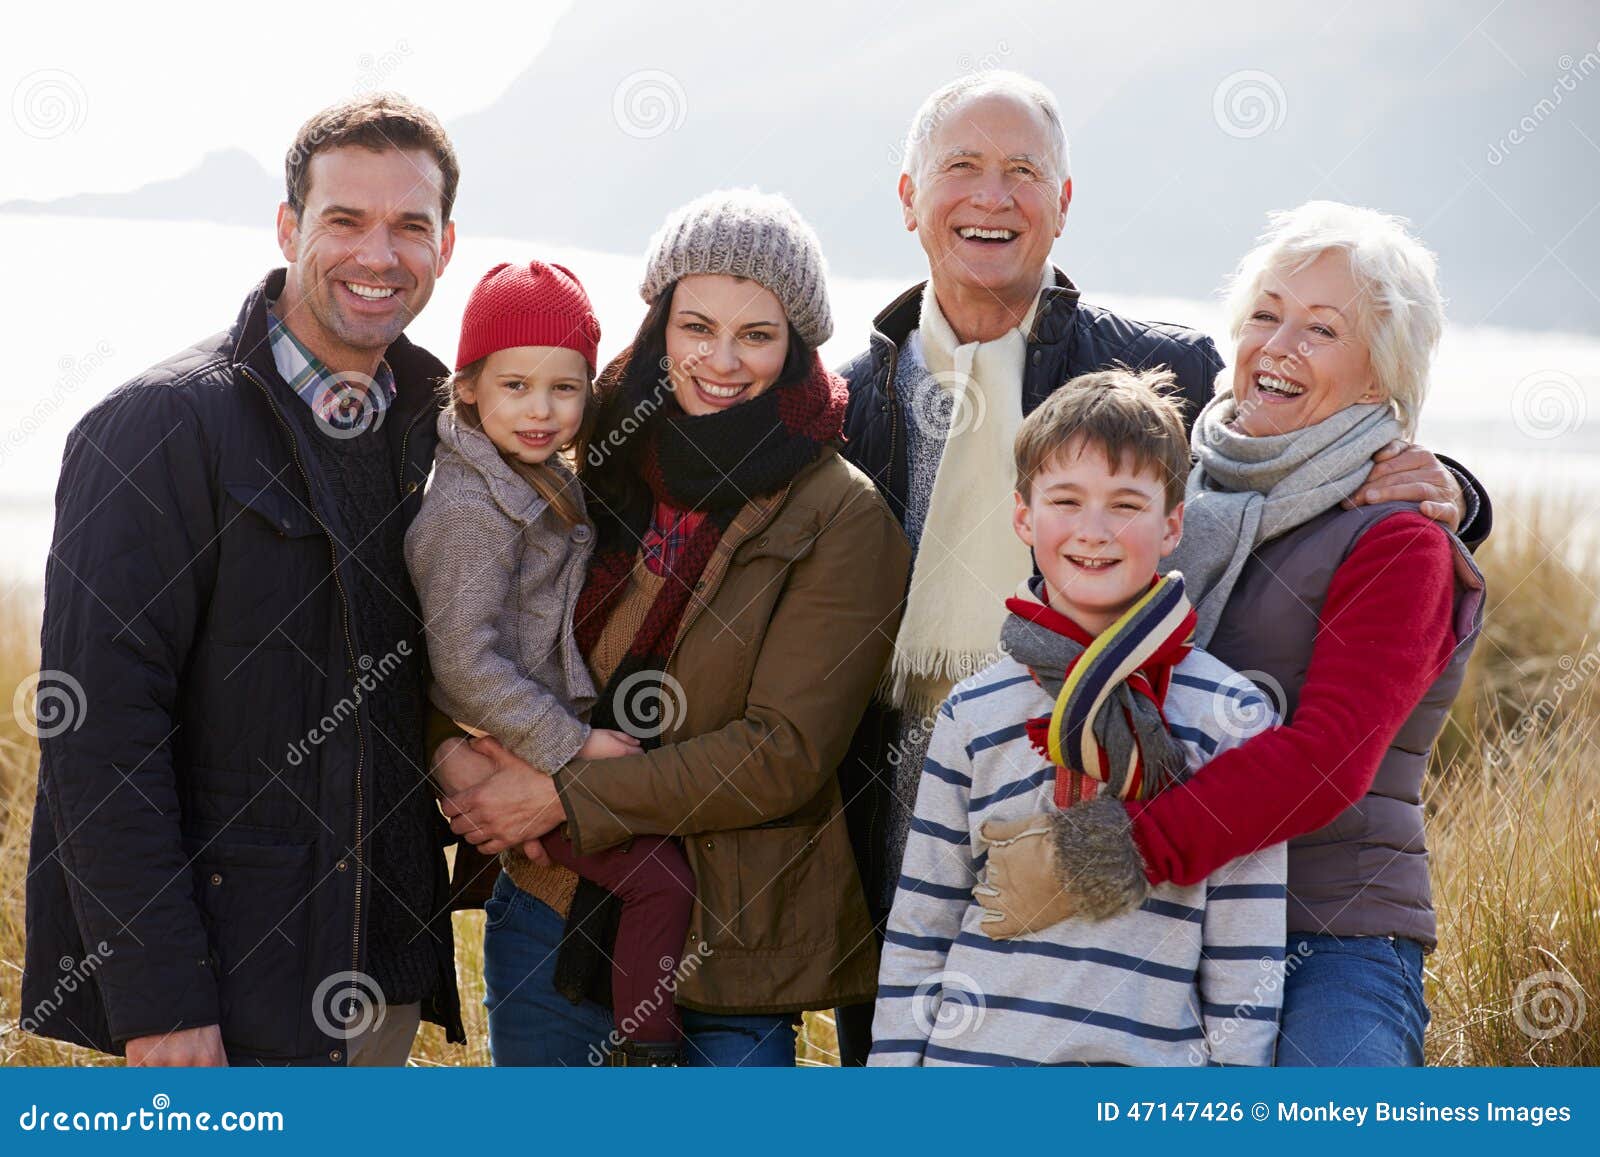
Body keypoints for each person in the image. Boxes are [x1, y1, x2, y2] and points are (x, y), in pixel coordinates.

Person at [831, 70, 1492, 1064]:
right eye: (960, 167)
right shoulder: (848, 404)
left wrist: (1455, 488)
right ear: (906, 197)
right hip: (977, 856)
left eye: (1023, 172)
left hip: (1282, 917)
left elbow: (1328, 742)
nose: (991, 196)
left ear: (1063, 204)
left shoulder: (1159, 384)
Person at [977, 201, 1485, 1066]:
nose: (1278, 346)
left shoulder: (1402, 540)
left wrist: (1113, 857)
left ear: (1379, 375)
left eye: (1322, 328)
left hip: (1326, 935)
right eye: (1265, 314)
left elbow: (1324, 761)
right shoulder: (1173, 502)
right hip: (1162, 924)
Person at [22, 93, 464, 1065]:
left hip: (377, 983)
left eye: (409, 226)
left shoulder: (438, 435)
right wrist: (160, 996)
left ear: (447, 243)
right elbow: (98, 730)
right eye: (344, 220)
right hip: (223, 1000)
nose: (377, 255)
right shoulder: (156, 429)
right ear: (288, 226)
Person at [431, 189, 911, 1066]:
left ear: (797, 343)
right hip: (548, 907)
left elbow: (782, 753)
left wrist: (564, 790)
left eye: (756, 335)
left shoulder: (843, 516)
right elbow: (462, 625)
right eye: (696, 326)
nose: (720, 360)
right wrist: (451, 753)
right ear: (660, 325)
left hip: (726, 946)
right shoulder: (592, 447)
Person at [870, 368, 1285, 1065]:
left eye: (1127, 503)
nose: (1094, 530)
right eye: (1066, 499)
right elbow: (923, 922)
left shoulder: (1232, 717)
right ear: (1024, 516)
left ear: (1173, 522)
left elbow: (1245, 953)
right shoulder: (973, 712)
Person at [404, 259, 696, 1065]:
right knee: (660, 882)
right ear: (469, 387)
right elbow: (461, 666)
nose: (541, 410)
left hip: (532, 742)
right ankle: (652, 1052)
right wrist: (575, 748)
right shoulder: (470, 508)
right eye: (516, 386)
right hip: (525, 743)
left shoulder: (537, 476)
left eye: (564, 389)